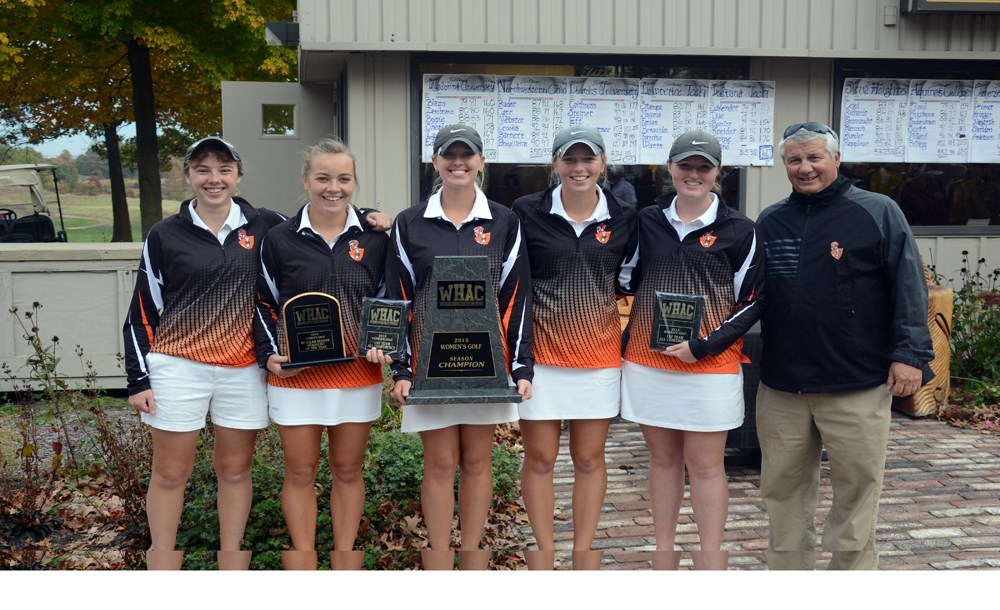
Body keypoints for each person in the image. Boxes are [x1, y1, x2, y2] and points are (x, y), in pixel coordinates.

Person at [755, 121, 934, 570]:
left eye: (815, 157)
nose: (805, 167)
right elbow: (753, 295)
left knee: (857, 490)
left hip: (855, 382)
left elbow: (908, 286)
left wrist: (909, 354)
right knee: (781, 491)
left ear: (836, 159)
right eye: (795, 159)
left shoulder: (878, 210)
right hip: (782, 386)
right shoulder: (771, 220)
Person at [367, 124, 533, 570]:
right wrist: (401, 369)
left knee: (478, 462)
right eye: (448, 155)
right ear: (435, 162)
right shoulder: (410, 222)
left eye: (467, 155)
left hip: (486, 367)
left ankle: (473, 563)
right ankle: (438, 563)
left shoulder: (504, 221)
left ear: (481, 161)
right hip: (428, 367)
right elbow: (396, 294)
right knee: (439, 464)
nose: (458, 163)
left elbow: (516, 295)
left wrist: (521, 367)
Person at [122, 137, 286, 570]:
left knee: (235, 471)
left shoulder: (266, 223)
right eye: (203, 169)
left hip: (243, 369)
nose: (214, 179)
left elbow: (320, 222)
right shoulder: (165, 234)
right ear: (188, 174)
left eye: (223, 168)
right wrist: (138, 379)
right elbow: (143, 307)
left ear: (238, 174)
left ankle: (231, 569)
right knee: (171, 473)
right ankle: (162, 570)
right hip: (178, 367)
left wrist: (369, 219)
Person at [619, 130, 764, 570]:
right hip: (649, 363)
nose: (694, 174)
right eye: (686, 166)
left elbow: (754, 299)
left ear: (719, 172)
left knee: (705, 466)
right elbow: (625, 278)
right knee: (662, 461)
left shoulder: (740, 229)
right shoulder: (646, 220)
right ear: (670, 168)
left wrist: (704, 344)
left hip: (711, 366)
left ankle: (709, 563)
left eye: (704, 167)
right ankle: (663, 556)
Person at [253, 139, 389, 570]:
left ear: (355, 182)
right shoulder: (278, 238)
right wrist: (270, 354)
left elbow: (389, 299)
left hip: (356, 374)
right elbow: (262, 301)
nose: (334, 188)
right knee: (299, 474)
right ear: (305, 180)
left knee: (348, 471)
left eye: (343, 178)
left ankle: (345, 563)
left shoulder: (376, 237)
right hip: (296, 377)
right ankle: (305, 566)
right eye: (323, 178)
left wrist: (384, 342)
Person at [511, 126, 636, 570]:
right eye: (570, 159)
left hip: (599, 356)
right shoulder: (525, 211)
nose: (579, 168)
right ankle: (543, 555)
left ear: (603, 163)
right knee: (540, 457)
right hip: (540, 357)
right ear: (555, 164)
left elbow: (632, 279)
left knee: (588, 458)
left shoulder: (625, 216)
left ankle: (584, 555)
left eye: (588, 159)